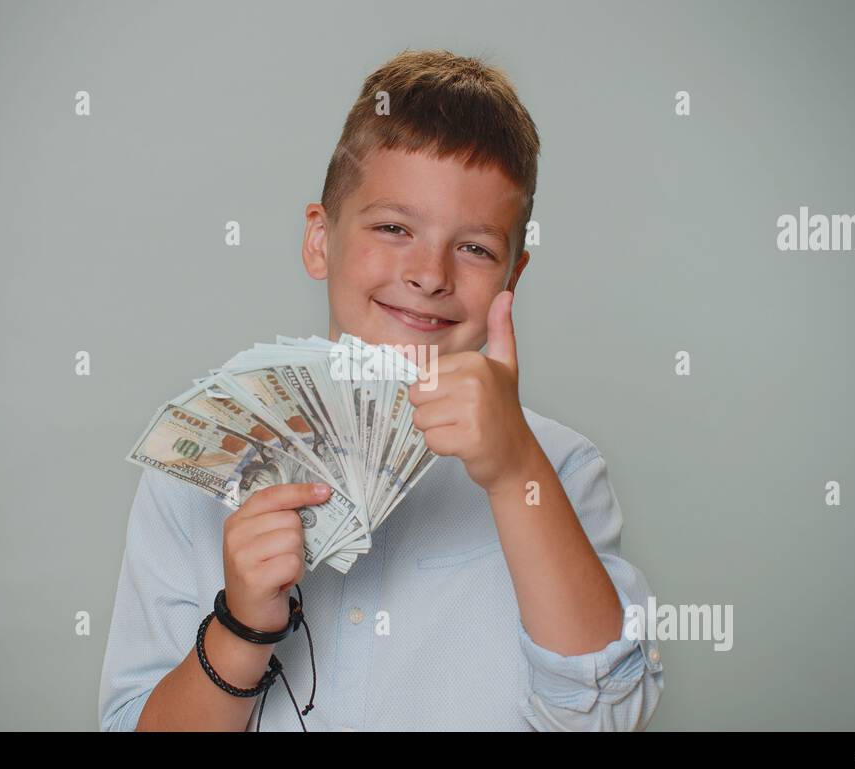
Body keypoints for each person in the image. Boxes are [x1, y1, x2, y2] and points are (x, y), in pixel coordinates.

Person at [99, 48, 665, 731]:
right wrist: (241, 627)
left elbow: (605, 717)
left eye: (476, 248)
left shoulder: (559, 468)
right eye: (394, 228)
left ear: (512, 277)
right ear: (320, 240)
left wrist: (517, 474)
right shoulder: (195, 478)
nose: (429, 273)